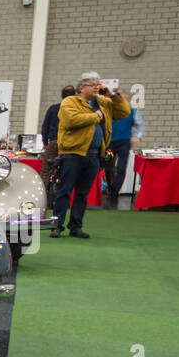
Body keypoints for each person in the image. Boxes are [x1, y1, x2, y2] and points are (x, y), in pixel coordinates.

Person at [50, 73, 130, 239]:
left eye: (98, 85)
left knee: (82, 194)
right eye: (92, 85)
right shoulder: (70, 102)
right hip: (72, 154)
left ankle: (76, 227)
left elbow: (124, 112)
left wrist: (113, 95)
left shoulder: (103, 102)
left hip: (94, 155)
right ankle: (57, 226)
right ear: (81, 88)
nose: (96, 87)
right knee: (64, 192)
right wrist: (96, 116)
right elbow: (71, 120)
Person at [105, 103, 144, 207]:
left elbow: (140, 125)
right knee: (108, 167)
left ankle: (115, 192)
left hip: (124, 144)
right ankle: (110, 187)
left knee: (121, 169)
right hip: (110, 144)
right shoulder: (109, 109)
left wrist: (138, 136)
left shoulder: (132, 111)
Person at [40, 85, 75, 199]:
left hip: (54, 142)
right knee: (68, 171)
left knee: (46, 170)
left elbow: (45, 127)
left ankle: (42, 195)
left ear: (61, 95)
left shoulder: (53, 108)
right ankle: (65, 197)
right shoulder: (76, 110)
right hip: (69, 145)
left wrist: (45, 143)